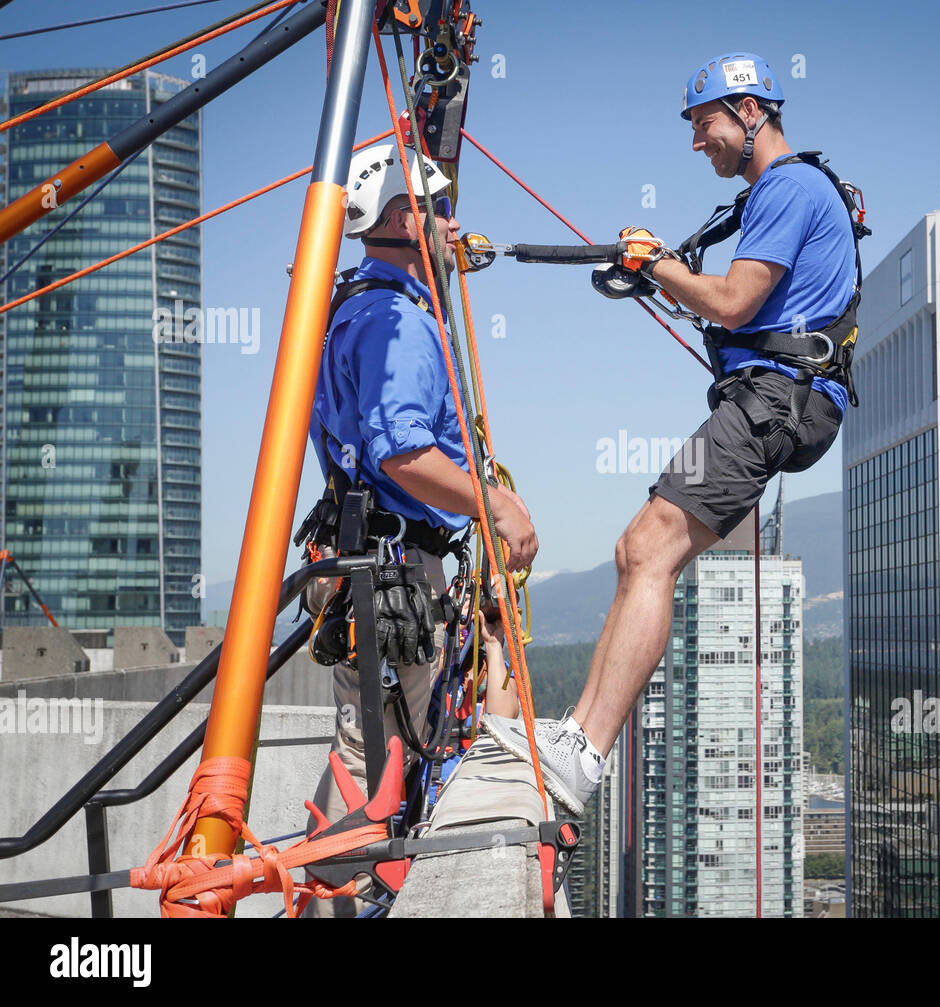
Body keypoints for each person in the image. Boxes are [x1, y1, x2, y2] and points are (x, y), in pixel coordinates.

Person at [482, 52, 861, 815]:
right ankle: (576, 742)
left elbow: (729, 300)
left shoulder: (785, 188)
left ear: (751, 111)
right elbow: (744, 306)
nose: (698, 142)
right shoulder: (779, 194)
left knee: (646, 549)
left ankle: (583, 752)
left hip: (774, 399)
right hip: (774, 397)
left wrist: (657, 265)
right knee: (637, 549)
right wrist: (664, 272)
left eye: (705, 123)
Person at [301, 143, 537, 916]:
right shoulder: (395, 320)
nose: (452, 223)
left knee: (384, 753)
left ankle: (352, 885)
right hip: (393, 569)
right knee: (384, 764)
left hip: (378, 564)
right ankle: (353, 894)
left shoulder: (359, 309)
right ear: (405, 218)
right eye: (439, 208)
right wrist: (491, 503)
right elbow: (401, 450)